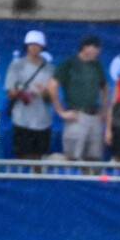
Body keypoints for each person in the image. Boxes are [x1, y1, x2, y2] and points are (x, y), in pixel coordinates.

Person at [50, 35, 110, 164]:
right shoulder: (69, 64)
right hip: (77, 114)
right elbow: (52, 86)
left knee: (94, 157)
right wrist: (61, 111)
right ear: (86, 47)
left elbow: (105, 87)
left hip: (94, 115)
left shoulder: (97, 66)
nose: (98, 52)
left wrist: (104, 109)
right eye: (96, 48)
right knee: (72, 157)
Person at [6, 30, 55, 161]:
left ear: (42, 47)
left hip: (43, 121)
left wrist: (44, 93)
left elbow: (52, 98)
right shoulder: (17, 65)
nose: (34, 48)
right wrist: (23, 92)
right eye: (31, 44)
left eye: (37, 45)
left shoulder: (50, 68)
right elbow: (10, 93)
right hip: (22, 120)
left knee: (40, 158)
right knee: (22, 157)